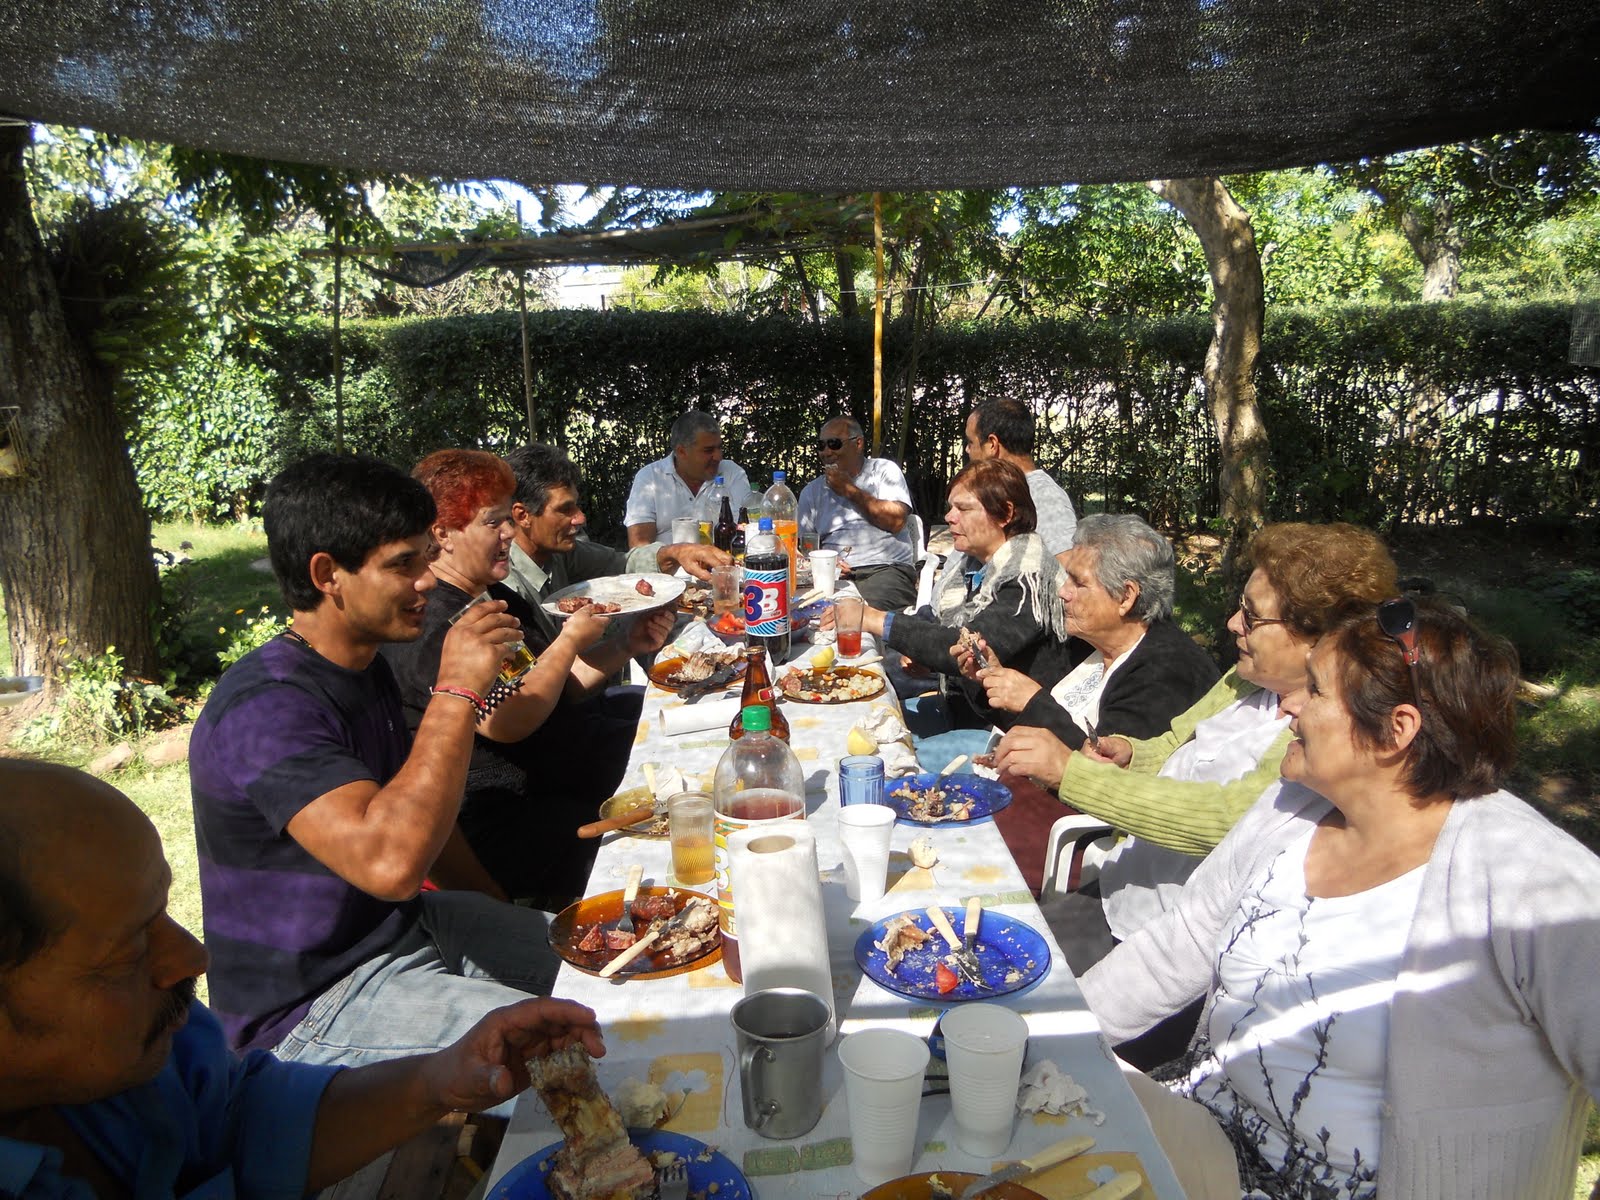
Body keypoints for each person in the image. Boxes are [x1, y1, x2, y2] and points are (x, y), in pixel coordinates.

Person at [1084, 599, 1600, 1200]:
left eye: (1315, 692)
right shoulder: (1291, 808)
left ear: (1396, 730)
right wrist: (1050, 1033)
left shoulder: (1534, 884)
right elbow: (1181, 944)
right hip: (1209, 1135)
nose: (1287, 707)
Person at [0, 759, 606, 1200]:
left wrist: (438, 1079)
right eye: (125, 951)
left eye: (163, 912)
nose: (191, 959)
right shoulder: (266, 715)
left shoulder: (151, 1049)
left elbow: (245, 1121)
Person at [189, 453, 568, 1064]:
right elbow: (391, 862)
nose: (427, 579)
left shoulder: (364, 666)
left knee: (598, 960)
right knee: (567, 1047)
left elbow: (423, 819)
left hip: (406, 928)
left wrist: (495, 908)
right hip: (309, 1006)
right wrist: (457, 689)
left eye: (426, 554)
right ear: (326, 574)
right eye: (402, 564)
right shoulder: (265, 708)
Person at [998, 522, 1395, 1068]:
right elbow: (1179, 740)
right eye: (1240, 606)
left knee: (1030, 1036)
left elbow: (1226, 820)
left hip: (1171, 950)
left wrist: (1073, 774)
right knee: (1002, 970)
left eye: (1252, 616)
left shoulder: (1320, 740)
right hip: (1123, 891)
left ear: (1315, 636)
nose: (1233, 623)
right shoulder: (1246, 682)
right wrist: (1132, 753)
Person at [382, 449, 675, 907]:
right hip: (514, 815)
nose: (508, 533)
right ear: (443, 533)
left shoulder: (491, 595)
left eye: (507, 519)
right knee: (670, 813)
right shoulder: (434, 623)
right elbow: (509, 719)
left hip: (563, 775)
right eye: (492, 522)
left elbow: (555, 687)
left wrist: (624, 645)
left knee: (669, 741)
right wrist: (568, 642)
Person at [960, 514, 1218, 895]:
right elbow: (1023, 716)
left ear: (1126, 597)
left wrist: (1032, 701)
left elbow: (1106, 776)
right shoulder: (1087, 645)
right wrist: (987, 678)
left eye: (1079, 583)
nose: (1063, 591)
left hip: (1082, 847)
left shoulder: (1166, 668)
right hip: (1020, 797)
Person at [839, 459, 1072, 764]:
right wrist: (927, 662)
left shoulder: (1027, 578)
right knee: (862, 718)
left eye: (963, 509)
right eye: (951, 508)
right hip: (964, 709)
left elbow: (968, 646)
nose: (949, 518)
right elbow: (943, 631)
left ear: (1005, 513)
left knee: (882, 759)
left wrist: (873, 618)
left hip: (1008, 735)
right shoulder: (975, 567)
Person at [503, 442, 726, 644]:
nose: (580, 518)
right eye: (565, 509)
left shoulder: (558, 553)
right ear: (523, 516)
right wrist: (624, 645)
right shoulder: (506, 592)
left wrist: (675, 553)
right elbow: (544, 683)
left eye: (577, 506)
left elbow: (619, 564)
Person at [797, 416, 918, 611]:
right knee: (810, 614)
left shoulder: (883, 471)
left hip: (884, 570)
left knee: (862, 619)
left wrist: (849, 490)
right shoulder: (811, 492)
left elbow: (896, 521)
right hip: (833, 576)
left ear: (858, 443)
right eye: (821, 445)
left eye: (834, 444)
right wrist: (824, 560)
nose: (826, 452)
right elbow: (804, 546)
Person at [963, 398, 1077, 563]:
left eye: (970, 442)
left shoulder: (1044, 499)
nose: (967, 450)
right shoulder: (999, 490)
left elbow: (1065, 570)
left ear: (992, 445)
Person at [623, 410, 751, 548]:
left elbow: (746, 532)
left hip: (724, 566)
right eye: (708, 450)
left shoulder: (732, 473)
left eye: (720, 448)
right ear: (681, 452)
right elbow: (640, 547)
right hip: (666, 568)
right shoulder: (650, 478)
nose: (718, 457)